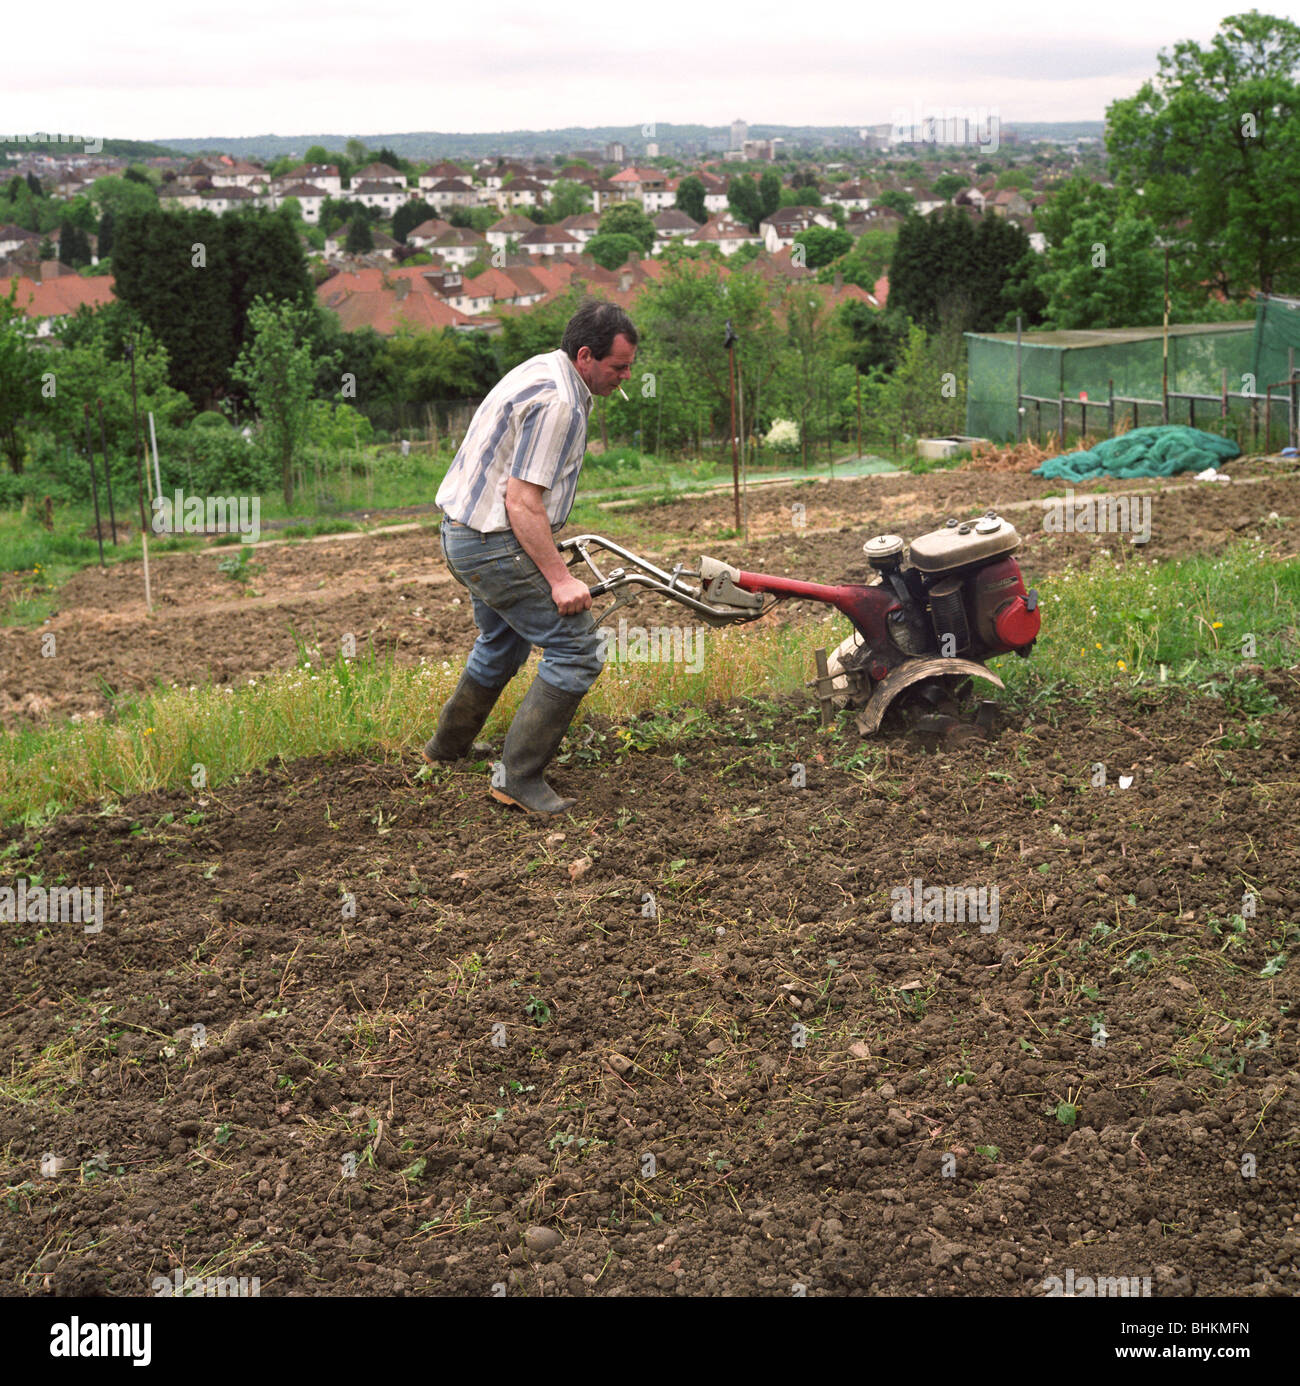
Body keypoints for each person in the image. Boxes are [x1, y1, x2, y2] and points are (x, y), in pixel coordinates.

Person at [426, 300, 638, 813]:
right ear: (586, 355)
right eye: (618, 367)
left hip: (460, 532)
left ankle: (446, 748)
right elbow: (521, 500)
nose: (626, 377)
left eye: (630, 367)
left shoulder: (544, 369)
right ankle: (517, 778)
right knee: (577, 651)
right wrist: (560, 578)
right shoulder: (561, 402)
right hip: (492, 544)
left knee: (502, 640)